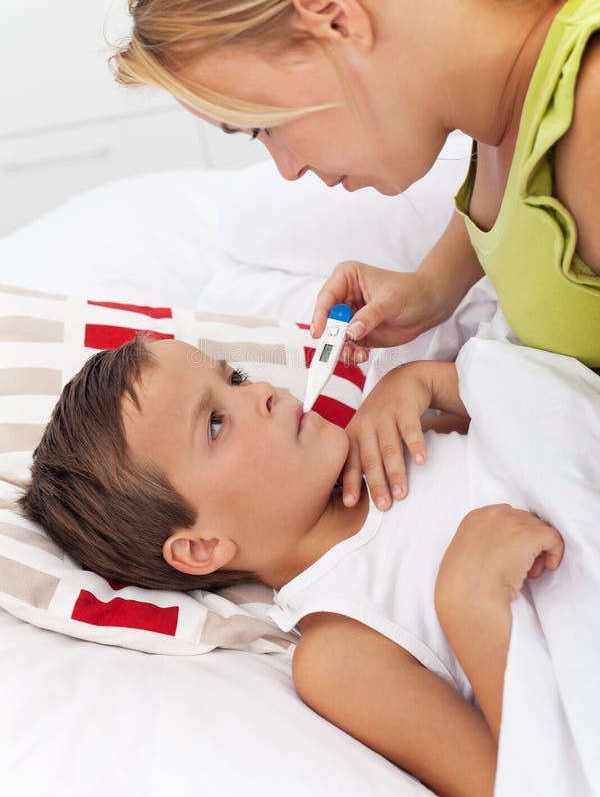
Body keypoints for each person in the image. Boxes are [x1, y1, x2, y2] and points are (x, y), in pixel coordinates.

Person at [111, 0, 600, 510]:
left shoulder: (590, 113)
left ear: (333, 19)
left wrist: (462, 394)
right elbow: (520, 206)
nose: (287, 169)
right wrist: (432, 286)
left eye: (264, 127)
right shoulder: (505, 102)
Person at [19, 335, 565, 797]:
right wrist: (470, 605)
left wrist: (432, 382)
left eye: (234, 379)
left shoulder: (390, 432)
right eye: (214, 424)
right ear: (201, 547)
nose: (261, 394)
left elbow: (558, 409)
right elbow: (512, 782)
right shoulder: (340, 651)